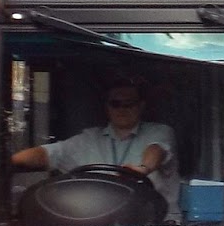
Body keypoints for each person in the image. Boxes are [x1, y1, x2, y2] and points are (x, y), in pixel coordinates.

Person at [11, 79, 179, 218]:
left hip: (155, 225)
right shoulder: (88, 139)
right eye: (115, 104)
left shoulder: (160, 131)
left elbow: (157, 149)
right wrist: (9, 162)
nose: (122, 109)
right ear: (107, 107)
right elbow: (47, 154)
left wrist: (143, 169)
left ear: (141, 106)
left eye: (129, 104)